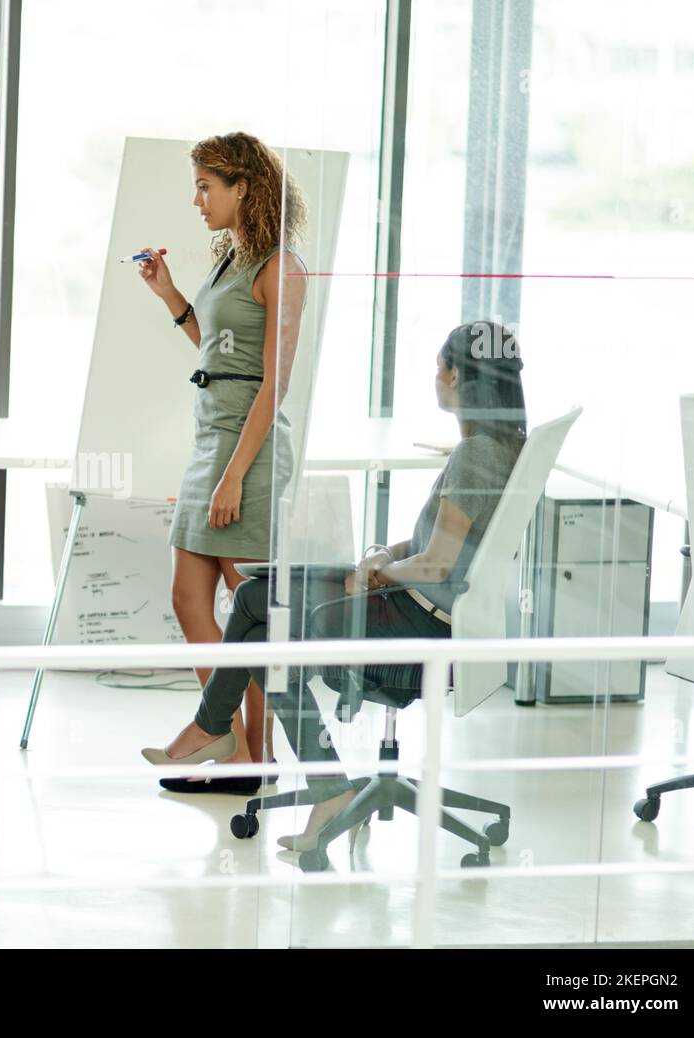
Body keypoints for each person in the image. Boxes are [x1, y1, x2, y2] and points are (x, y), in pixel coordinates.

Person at [143, 321, 527, 849]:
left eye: (439, 367)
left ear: (457, 375)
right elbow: (439, 550)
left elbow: (437, 565)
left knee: (258, 606)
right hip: (423, 612)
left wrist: (375, 573)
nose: (434, 376)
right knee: (260, 620)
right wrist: (385, 555)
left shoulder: (474, 455)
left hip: (411, 623)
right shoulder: (504, 449)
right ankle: (270, 758)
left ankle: (229, 735)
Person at [136, 132, 308, 780]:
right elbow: (218, 351)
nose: (197, 199)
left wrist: (235, 474)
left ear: (244, 187)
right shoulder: (230, 258)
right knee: (188, 598)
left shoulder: (280, 266)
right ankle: (229, 740)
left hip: (249, 449)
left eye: (207, 185)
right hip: (211, 440)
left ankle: (253, 757)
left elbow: (274, 382)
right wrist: (170, 295)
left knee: (249, 613)